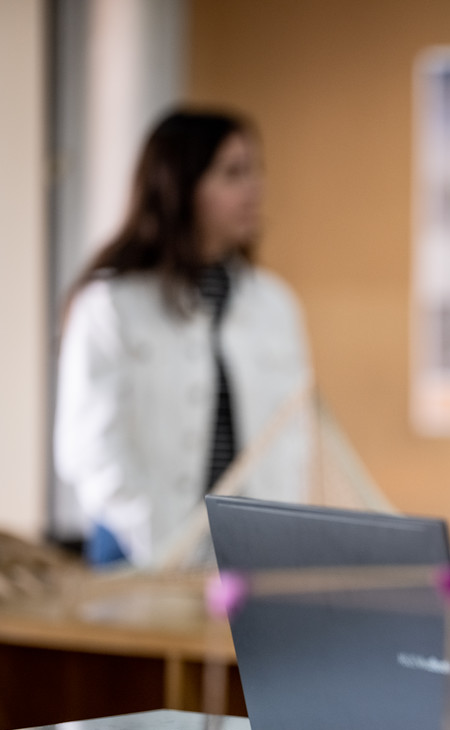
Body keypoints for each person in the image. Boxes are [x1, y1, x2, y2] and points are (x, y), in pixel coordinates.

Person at [55, 109, 311, 567]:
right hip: (135, 555)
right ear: (179, 186)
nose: (254, 188)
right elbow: (89, 449)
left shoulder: (275, 305)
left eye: (255, 170)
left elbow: (292, 441)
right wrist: (158, 544)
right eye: (233, 173)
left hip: (249, 562)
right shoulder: (111, 305)